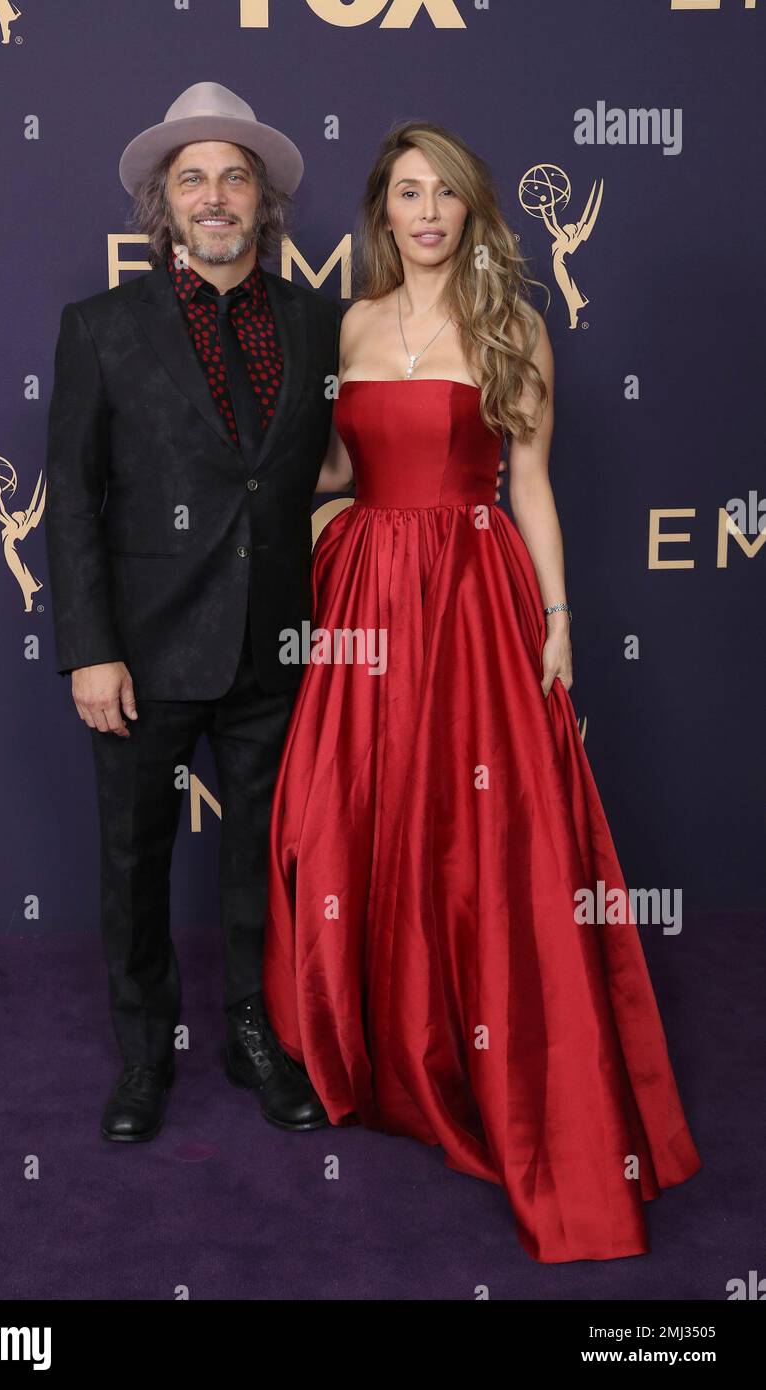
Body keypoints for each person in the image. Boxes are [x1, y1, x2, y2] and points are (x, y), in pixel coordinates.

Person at [262, 121, 702, 1264]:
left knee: (477, 830)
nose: (423, 213)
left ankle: (482, 1054)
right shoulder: (346, 324)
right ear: (382, 210)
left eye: (442, 194)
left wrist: (556, 620)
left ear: (469, 211)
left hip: (467, 588)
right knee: (361, 810)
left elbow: (533, 485)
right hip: (360, 587)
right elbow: (335, 469)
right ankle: (382, 1050)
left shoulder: (513, 326)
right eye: (405, 193)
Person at [45, 82, 346, 1142]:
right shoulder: (100, 327)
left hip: (275, 642)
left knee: (264, 859)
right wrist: (90, 650)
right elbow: (73, 497)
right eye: (193, 181)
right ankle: (142, 1055)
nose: (215, 198)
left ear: (263, 202)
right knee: (133, 859)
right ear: (161, 205)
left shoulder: (318, 320)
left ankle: (253, 1034)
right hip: (144, 648)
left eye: (233, 178)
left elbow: (334, 462)